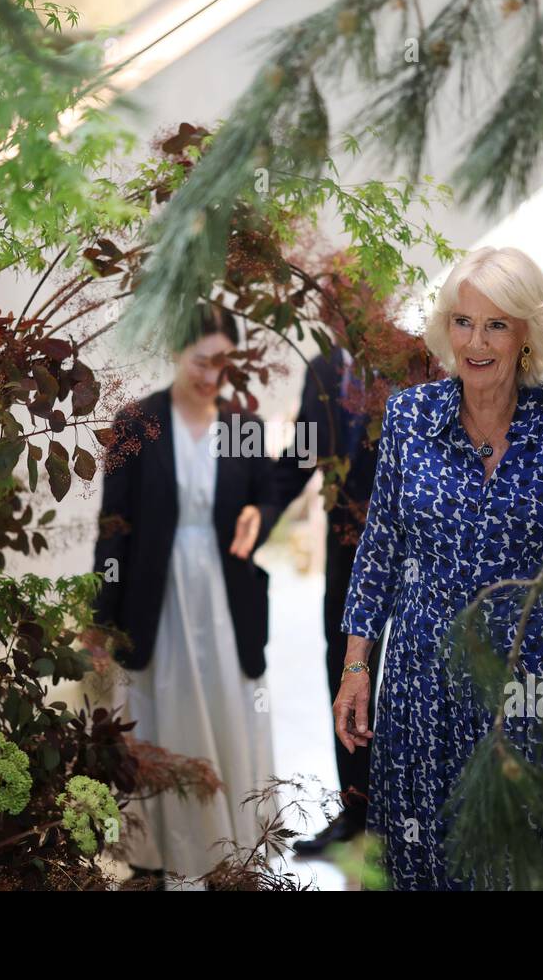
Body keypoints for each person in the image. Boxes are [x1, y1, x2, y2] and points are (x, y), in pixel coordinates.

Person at [333, 247, 543, 890]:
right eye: (463, 322)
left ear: (528, 333)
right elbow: (380, 549)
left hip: (536, 681)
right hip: (424, 684)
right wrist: (356, 664)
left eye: (496, 325)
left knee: (535, 856)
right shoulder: (408, 419)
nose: (475, 342)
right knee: (428, 856)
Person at [89, 304, 279, 887]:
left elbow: (266, 496)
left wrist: (261, 518)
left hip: (227, 600)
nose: (211, 373)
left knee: (230, 706)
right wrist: (100, 619)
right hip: (157, 597)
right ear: (177, 354)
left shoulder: (242, 423)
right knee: (160, 712)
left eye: (222, 361)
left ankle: (232, 847)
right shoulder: (137, 422)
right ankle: (158, 852)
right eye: (202, 361)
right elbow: (113, 526)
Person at [273, 347, 381, 855]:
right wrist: (244, 509)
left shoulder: (407, 358)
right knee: (344, 668)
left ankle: (403, 812)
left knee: (402, 676)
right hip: (343, 547)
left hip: (411, 552)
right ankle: (355, 808)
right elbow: (301, 454)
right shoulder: (321, 368)